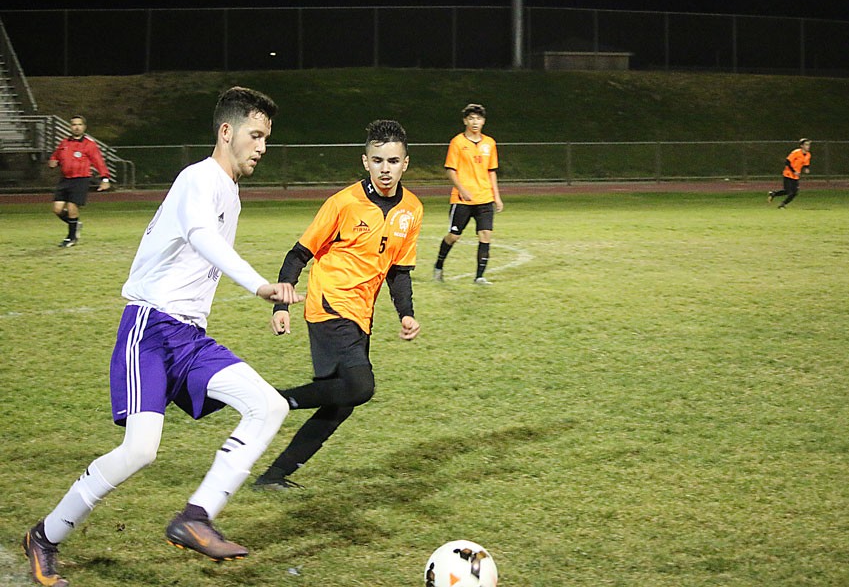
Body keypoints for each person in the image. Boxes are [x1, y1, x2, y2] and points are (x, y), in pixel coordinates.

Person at [23, 87, 303, 586]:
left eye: (266, 138)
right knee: (140, 451)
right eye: (255, 135)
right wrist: (261, 286)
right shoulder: (199, 178)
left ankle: (195, 517)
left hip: (190, 338)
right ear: (226, 132)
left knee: (270, 406)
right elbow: (201, 238)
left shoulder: (230, 192)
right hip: (150, 329)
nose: (262, 146)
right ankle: (44, 536)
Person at [253, 119, 423, 490]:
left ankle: (272, 477)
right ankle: (274, 401)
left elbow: (399, 270)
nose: (385, 169)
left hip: (362, 314)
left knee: (340, 402)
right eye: (377, 160)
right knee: (361, 387)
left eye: (393, 161)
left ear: (405, 163)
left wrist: (406, 313)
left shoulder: (412, 209)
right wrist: (280, 306)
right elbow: (299, 254)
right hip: (330, 306)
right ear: (365, 162)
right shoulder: (343, 203)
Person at [432, 103, 503, 285]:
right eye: (471, 118)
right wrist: (463, 190)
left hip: (484, 198)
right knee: (453, 236)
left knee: (485, 234)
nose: (475, 122)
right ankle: (439, 265)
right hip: (462, 200)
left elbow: (491, 171)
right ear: (465, 121)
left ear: (483, 121)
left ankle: (479, 276)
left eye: (478, 118)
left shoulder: (490, 143)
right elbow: (450, 170)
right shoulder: (458, 142)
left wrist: (497, 196)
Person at [48, 115, 111, 247]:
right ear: (70, 127)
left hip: (80, 179)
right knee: (57, 209)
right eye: (74, 125)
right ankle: (75, 224)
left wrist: (104, 178)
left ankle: (71, 238)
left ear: (84, 127)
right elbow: (56, 155)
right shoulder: (65, 143)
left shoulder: (89, 144)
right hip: (65, 179)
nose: (76, 127)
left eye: (79, 124)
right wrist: (53, 160)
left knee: (72, 207)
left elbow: (98, 162)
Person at [768, 138, 812, 208]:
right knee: (788, 191)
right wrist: (794, 171)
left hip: (795, 176)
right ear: (801, 146)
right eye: (806, 144)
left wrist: (806, 168)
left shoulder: (808, 155)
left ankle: (781, 202)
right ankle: (776, 197)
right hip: (788, 174)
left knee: (794, 193)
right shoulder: (796, 152)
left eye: (809, 145)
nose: (808, 146)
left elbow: (806, 164)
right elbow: (787, 162)